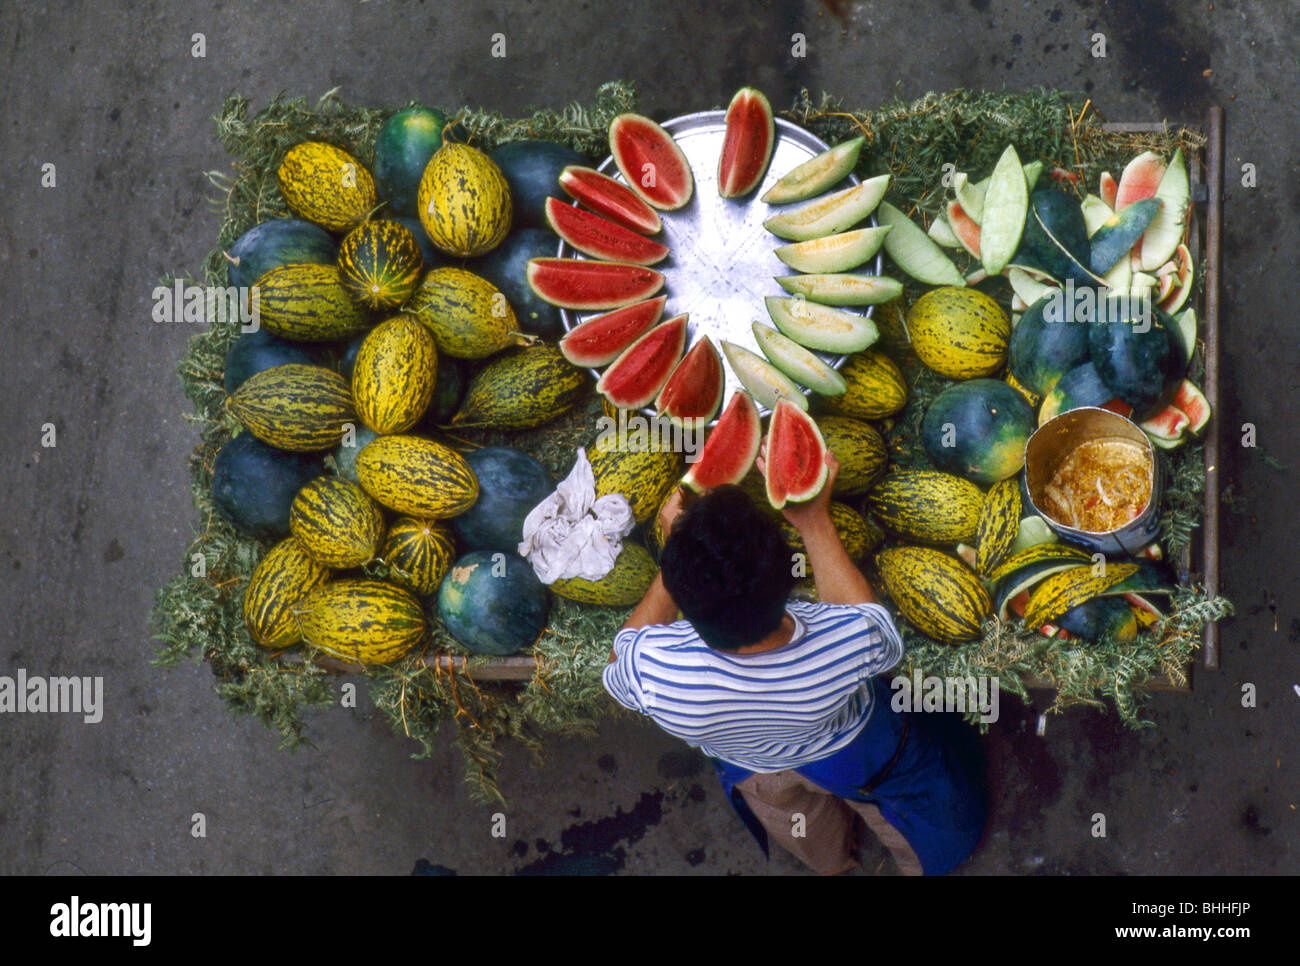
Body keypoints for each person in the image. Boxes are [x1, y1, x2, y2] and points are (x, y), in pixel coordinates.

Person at [602, 450, 986, 875]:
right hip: (854, 752)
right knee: (910, 806)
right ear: (791, 578)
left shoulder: (655, 670)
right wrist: (814, 520)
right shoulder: (842, 642)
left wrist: (679, 553)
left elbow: (622, 652)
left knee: (799, 822)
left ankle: (835, 863)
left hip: (754, 767)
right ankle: (925, 861)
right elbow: (876, 627)